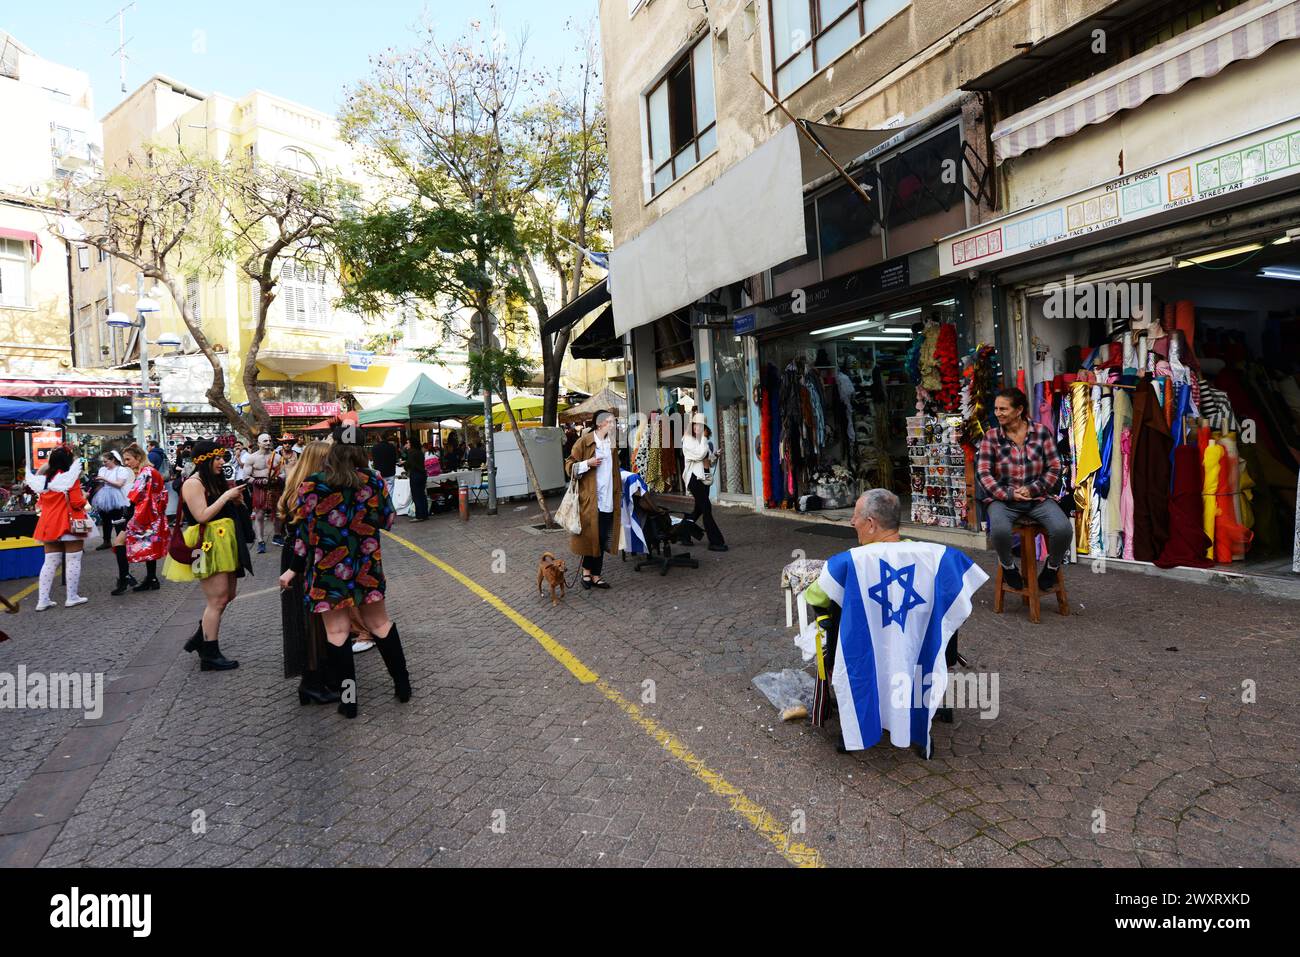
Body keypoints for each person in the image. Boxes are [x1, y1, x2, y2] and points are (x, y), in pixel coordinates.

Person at [280, 436, 407, 718]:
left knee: (337, 632)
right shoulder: (373, 480)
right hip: (366, 565)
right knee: (380, 623)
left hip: (327, 570)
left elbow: (303, 536)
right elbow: (388, 521)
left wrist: (293, 569)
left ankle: (349, 702)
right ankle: (402, 685)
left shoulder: (312, 484)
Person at [163, 441, 252, 671]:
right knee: (217, 599)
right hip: (207, 545)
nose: (223, 462)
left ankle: (201, 638)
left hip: (223, 542)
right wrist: (226, 497)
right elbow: (201, 516)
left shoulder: (213, 481)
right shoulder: (193, 483)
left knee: (228, 595)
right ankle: (209, 654)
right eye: (218, 458)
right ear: (204, 460)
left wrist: (235, 500)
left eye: (223, 458)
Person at [975, 386, 1072, 592]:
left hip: (1037, 497)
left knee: (1063, 530)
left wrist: (1034, 489)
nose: (997, 413)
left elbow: (1055, 466)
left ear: (1019, 410)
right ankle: (1009, 567)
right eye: (996, 409)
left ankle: (1052, 567)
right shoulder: (991, 437)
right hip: (1003, 500)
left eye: (1003, 409)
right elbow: (983, 473)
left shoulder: (1041, 433)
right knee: (999, 531)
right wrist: (1008, 493)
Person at [276, 440, 339, 705]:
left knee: (307, 619)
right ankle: (312, 682)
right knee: (313, 620)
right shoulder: (310, 491)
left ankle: (314, 679)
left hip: (295, 555)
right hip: (304, 558)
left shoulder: (294, 487)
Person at [26, 447, 90, 611]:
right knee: (73, 560)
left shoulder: (43, 480)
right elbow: (76, 502)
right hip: (69, 523)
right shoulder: (70, 478)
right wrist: (85, 498)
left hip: (47, 524)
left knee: (49, 562)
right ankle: (71, 597)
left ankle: (43, 600)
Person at [565, 410, 621, 590]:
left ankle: (594, 575)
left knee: (602, 537)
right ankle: (588, 573)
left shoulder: (611, 444)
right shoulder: (584, 442)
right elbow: (568, 467)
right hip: (590, 500)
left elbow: (615, 471)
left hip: (608, 498)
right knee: (592, 537)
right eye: (610, 422)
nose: (613, 425)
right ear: (599, 424)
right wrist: (587, 463)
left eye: (613, 422)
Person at [117, 444, 170, 593]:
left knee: (119, 542)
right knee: (149, 545)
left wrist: (127, 517)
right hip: (152, 516)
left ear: (138, 458)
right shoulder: (151, 471)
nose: (126, 463)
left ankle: (125, 577)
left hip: (143, 516)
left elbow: (135, 496)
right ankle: (151, 578)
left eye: (128, 459)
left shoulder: (145, 473)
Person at [683, 413, 728, 552]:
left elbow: (708, 459)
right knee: (706, 508)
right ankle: (716, 541)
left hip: (704, 478)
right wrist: (704, 438)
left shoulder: (702, 441)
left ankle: (683, 532)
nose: (698, 427)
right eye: (696, 424)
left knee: (699, 509)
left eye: (701, 425)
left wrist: (715, 455)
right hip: (694, 479)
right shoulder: (688, 440)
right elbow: (700, 454)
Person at [93, 450, 133, 561]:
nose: (104, 464)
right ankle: (106, 541)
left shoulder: (121, 470)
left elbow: (119, 484)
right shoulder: (102, 469)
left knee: (118, 520)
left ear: (113, 460)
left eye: (106, 461)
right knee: (105, 519)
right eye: (103, 462)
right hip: (104, 495)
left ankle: (120, 541)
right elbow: (100, 483)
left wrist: (104, 479)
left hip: (116, 496)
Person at [241, 433, 276, 553]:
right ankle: (260, 541)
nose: (268, 443)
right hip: (259, 489)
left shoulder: (276, 456)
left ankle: (277, 535)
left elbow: (282, 472)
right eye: (265, 441)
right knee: (259, 515)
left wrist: (278, 479)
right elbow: (245, 476)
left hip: (274, 488)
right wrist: (259, 481)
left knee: (278, 514)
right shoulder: (252, 458)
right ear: (259, 443)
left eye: (269, 440)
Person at [270, 435, 297, 547]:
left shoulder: (297, 454)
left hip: (294, 486)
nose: (287, 444)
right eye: (285, 442)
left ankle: (291, 532)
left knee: (292, 509)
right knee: (280, 510)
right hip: (280, 487)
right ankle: (279, 534)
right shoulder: (276, 455)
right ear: (282, 444)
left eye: (289, 442)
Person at [406, 434, 429, 522]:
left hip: (415, 475)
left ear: (412, 444)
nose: (407, 445)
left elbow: (410, 464)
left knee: (416, 495)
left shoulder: (411, 452)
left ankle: (419, 515)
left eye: (408, 443)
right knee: (422, 495)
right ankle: (425, 514)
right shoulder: (419, 452)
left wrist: (404, 463)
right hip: (422, 475)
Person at [370, 432, 399, 496]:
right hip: (390, 473)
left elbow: (374, 460)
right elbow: (395, 459)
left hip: (379, 473)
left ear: (380, 437)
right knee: (390, 493)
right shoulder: (392, 447)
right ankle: (389, 504)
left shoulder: (375, 448)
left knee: (380, 492)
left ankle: (382, 504)